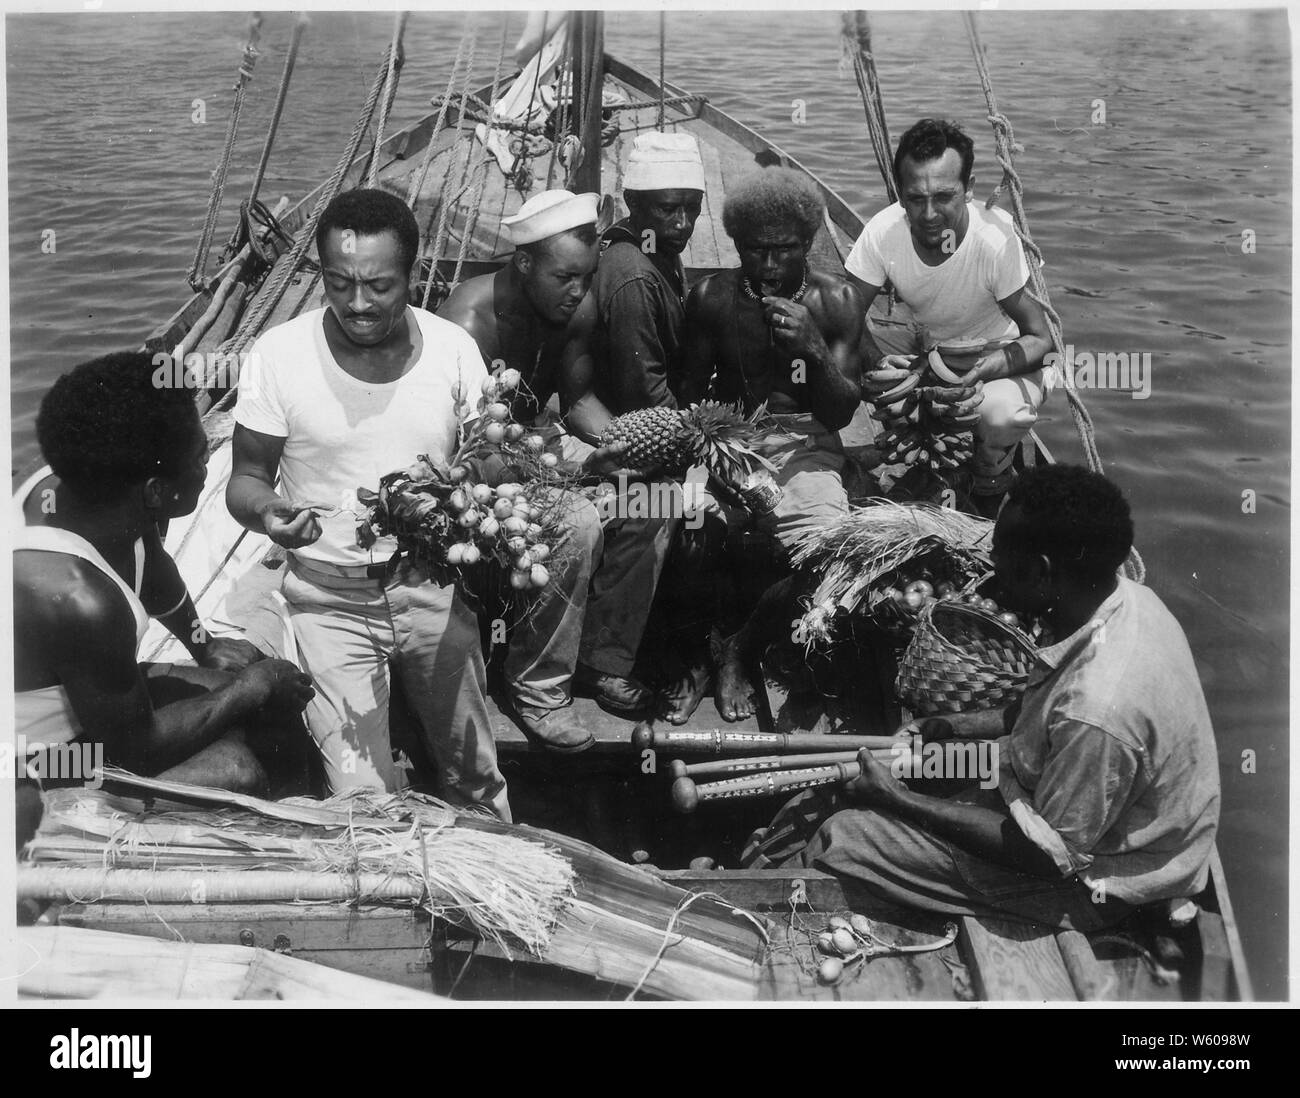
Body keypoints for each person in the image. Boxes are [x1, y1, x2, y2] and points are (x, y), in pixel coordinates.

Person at [751, 466, 1220, 931]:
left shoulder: (1097, 710)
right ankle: (763, 860)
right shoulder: (1125, 601)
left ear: (1040, 573)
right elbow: (1038, 711)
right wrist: (952, 729)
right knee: (888, 767)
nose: (992, 574)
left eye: (1001, 561)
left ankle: (759, 907)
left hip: (1093, 879)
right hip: (1039, 782)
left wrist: (895, 800)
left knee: (846, 837)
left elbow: (1046, 855)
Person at [227, 187, 510, 816]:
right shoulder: (278, 355)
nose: (357, 303)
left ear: (413, 272)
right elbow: (245, 478)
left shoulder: (454, 350)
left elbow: (488, 456)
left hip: (433, 589)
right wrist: (270, 515)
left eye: (379, 286)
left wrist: (472, 482)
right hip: (327, 601)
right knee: (362, 801)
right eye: (338, 282)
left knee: (477, 777)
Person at [14, 352, 315, 824]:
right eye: (200, 457)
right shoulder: (79, 599)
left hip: (87, 700)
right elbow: (136, 747)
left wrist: (204, 645)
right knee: (236, 769)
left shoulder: (88, 483)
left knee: (254, 704)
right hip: (31, 764)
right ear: (156, 492)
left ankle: (308, 813)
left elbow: (150, 562)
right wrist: (254, 685)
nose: (208, 461)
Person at [437, 189, 670, 738]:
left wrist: (618, 445)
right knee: (578, 521)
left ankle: (603, 659)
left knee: (654, 500)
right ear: (523, 264)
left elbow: (579, 399)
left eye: (587, 278)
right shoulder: (467, 326)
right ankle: (537, 686)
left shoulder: (573, 306)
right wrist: (580, 473)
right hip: (474, 464)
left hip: (536, 441)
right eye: (565, 278)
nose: (579, 292)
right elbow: (477, 455)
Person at [680, 167, 864, 720]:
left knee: (828, 546)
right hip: (729, 439)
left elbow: (840, 410)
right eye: (753, 251)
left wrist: (812, 348)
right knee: (689, 526)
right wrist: (712, 467)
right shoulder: (711, 298)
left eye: (782, 251)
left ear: (808, 244)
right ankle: (693, 655)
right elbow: (688, 398)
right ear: (736, 244)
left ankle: (742, 647)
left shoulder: (837, 302)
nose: (766, 265)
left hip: (807, 439)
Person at [846, 118, 1054, 515]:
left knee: (998, 414)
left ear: (970, 188)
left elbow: (1044, 342)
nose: (928, 214)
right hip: (930, 351)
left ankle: (990, 475)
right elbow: (846, 314)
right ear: (899, 194)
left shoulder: (997, 240)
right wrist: (878, 364)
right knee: (836, 354)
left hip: (1007, 357)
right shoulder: (882, 232)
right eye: (915, 198)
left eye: (943, 196)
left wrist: (981, 370)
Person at [592, 132, 715, 723]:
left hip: (650, 422)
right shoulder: (636, 278)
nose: (685, 221)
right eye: (669, 208)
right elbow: (649, 401)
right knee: (670, 509)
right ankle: (607, 661)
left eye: (693, 206)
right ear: (632, 202)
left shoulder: (652, 248)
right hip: (624, 441)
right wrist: (713, 445)